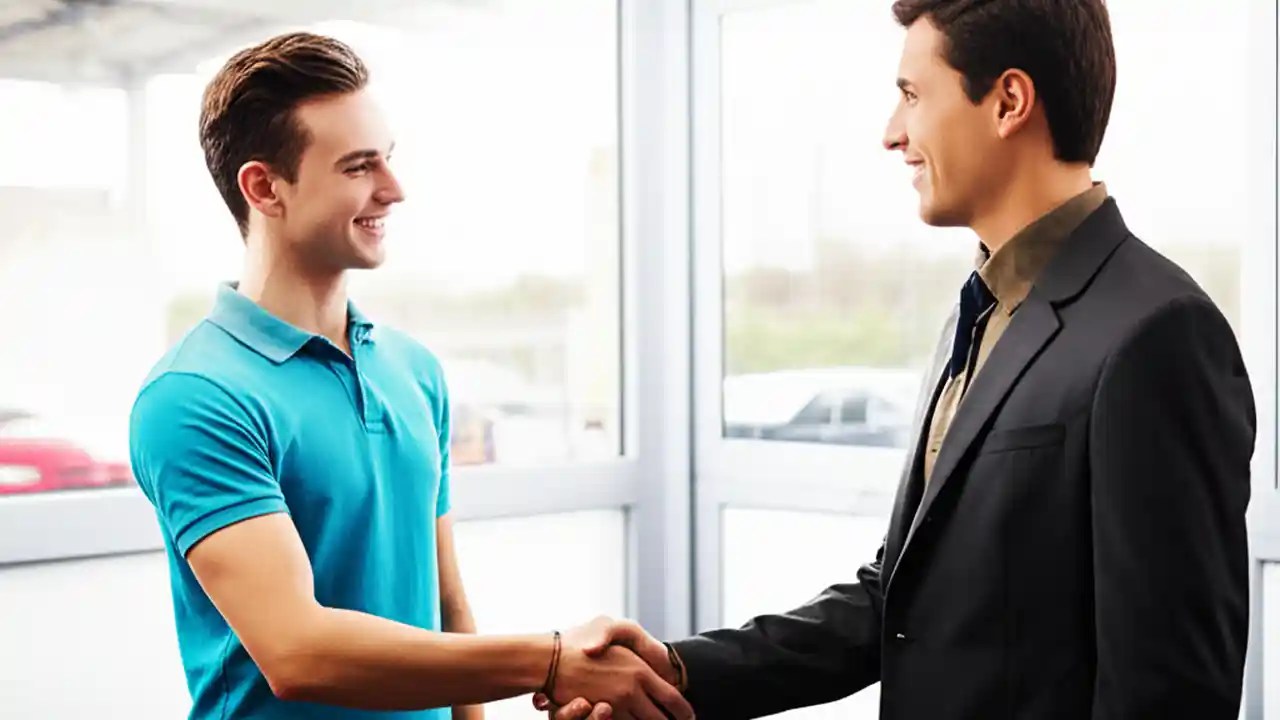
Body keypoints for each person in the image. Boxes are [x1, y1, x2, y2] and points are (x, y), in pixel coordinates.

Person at [541, 0, 1256, 717]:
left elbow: (1171, 695)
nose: (893, 134)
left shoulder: (1157, 335)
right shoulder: (975, 314)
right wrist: (677, 672)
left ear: (1009, 100)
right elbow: (903, 598)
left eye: (912, 96)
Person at [128, 31, 692, 720]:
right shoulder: (195, 397)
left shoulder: (413, 370)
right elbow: (297, 650)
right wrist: (549, 659)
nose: (394, 190)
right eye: (359, 167)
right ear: (264, 187)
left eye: (387, 159)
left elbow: (446, 604)